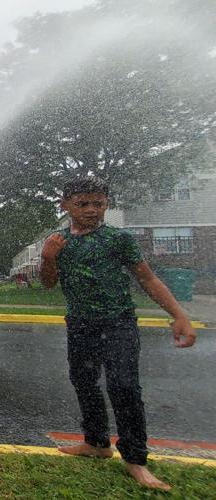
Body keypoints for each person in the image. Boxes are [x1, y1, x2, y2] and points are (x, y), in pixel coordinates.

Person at [39, 177, 196, 492]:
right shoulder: (58, 241)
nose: (91, 210)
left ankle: (136, 459)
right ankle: (96, 443)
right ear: (65, 205)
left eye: (98, 203)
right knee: (85, 383)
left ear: (107, 204)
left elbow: (148, 279)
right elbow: (48, 283)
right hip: (80, 324)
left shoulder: (118, 239)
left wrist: (179, 315)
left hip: (119, 323)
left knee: (124, 386)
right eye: (83, 204)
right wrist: (48, 257)